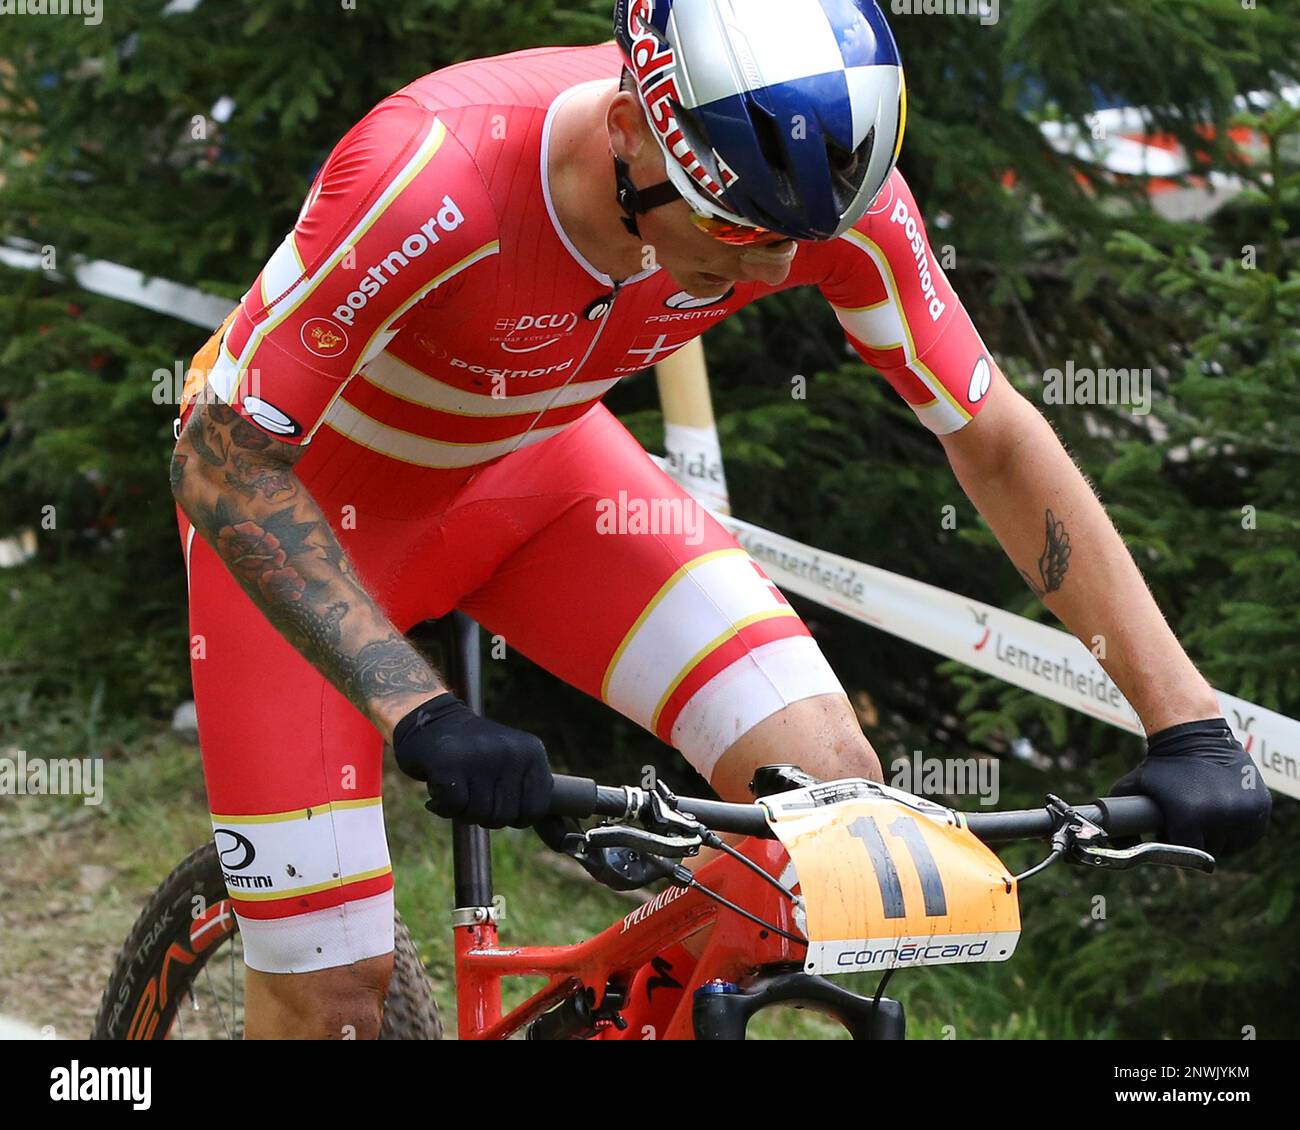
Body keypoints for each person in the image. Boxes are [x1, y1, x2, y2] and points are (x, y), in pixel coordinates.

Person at [170, 0, 1269, 1039]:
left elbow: (991, 437)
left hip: (536, 483)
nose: (775, 264)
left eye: (799, 235)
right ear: (627, 131)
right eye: (736, 225)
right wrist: (419, 710)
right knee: (335, 996)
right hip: (299, 512)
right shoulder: (432, 176)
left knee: (828, 826)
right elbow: (219, 463)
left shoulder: (816, 191)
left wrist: (1186, 723)